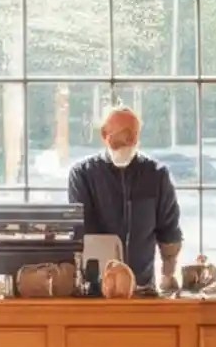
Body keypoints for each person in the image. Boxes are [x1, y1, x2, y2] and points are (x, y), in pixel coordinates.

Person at [67, 106, 183, 291]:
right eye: (124, 133)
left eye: (135, 134)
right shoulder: (83, 174)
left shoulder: (156, 174)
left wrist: (168, 275)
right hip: (96, 290)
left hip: (143, 287)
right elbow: (82, 231)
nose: (130, 140)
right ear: (105, 135)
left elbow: (169, 230)